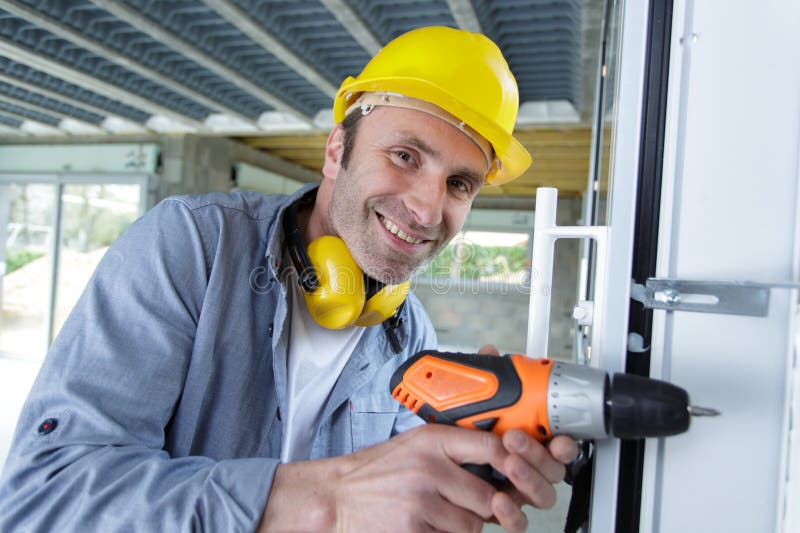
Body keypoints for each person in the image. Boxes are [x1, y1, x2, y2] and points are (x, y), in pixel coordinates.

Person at [0, 26, 577, 532]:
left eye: (459, 184)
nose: (428, 211)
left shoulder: (411, 336)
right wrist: (329, 501)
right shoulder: (191, 248)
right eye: (404, 156)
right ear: (335, 150)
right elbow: (46, 499)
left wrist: (467, 475)